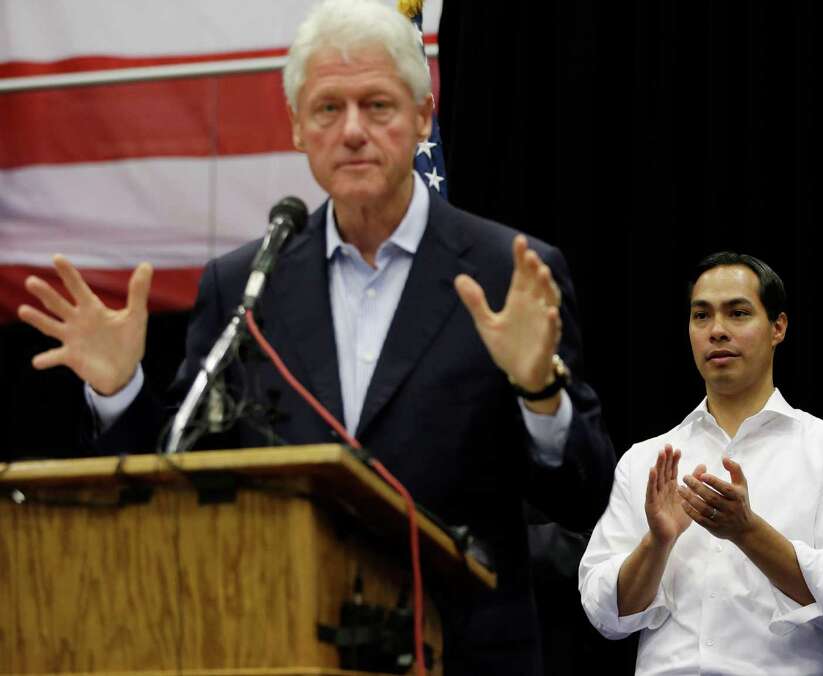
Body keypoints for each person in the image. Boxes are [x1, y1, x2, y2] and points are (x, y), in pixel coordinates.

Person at [15, 1, 615, 673]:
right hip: (281, 641)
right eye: (328, 108)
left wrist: (539, 394)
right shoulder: (245, 284)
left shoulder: (511, 272)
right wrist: (121, 391)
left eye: (377, 105)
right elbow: (179, 477)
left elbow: (586, 494)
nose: (352, 131)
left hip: (462, 650)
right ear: (298, 128)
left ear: (423, 115)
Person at [578, 252, 823, 675]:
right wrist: (657, 543)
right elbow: (604, 614)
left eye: (738, 313)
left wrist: (746, 530)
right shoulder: (645, 459)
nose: (716, 330)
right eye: (701, 316)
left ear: (778, 327)